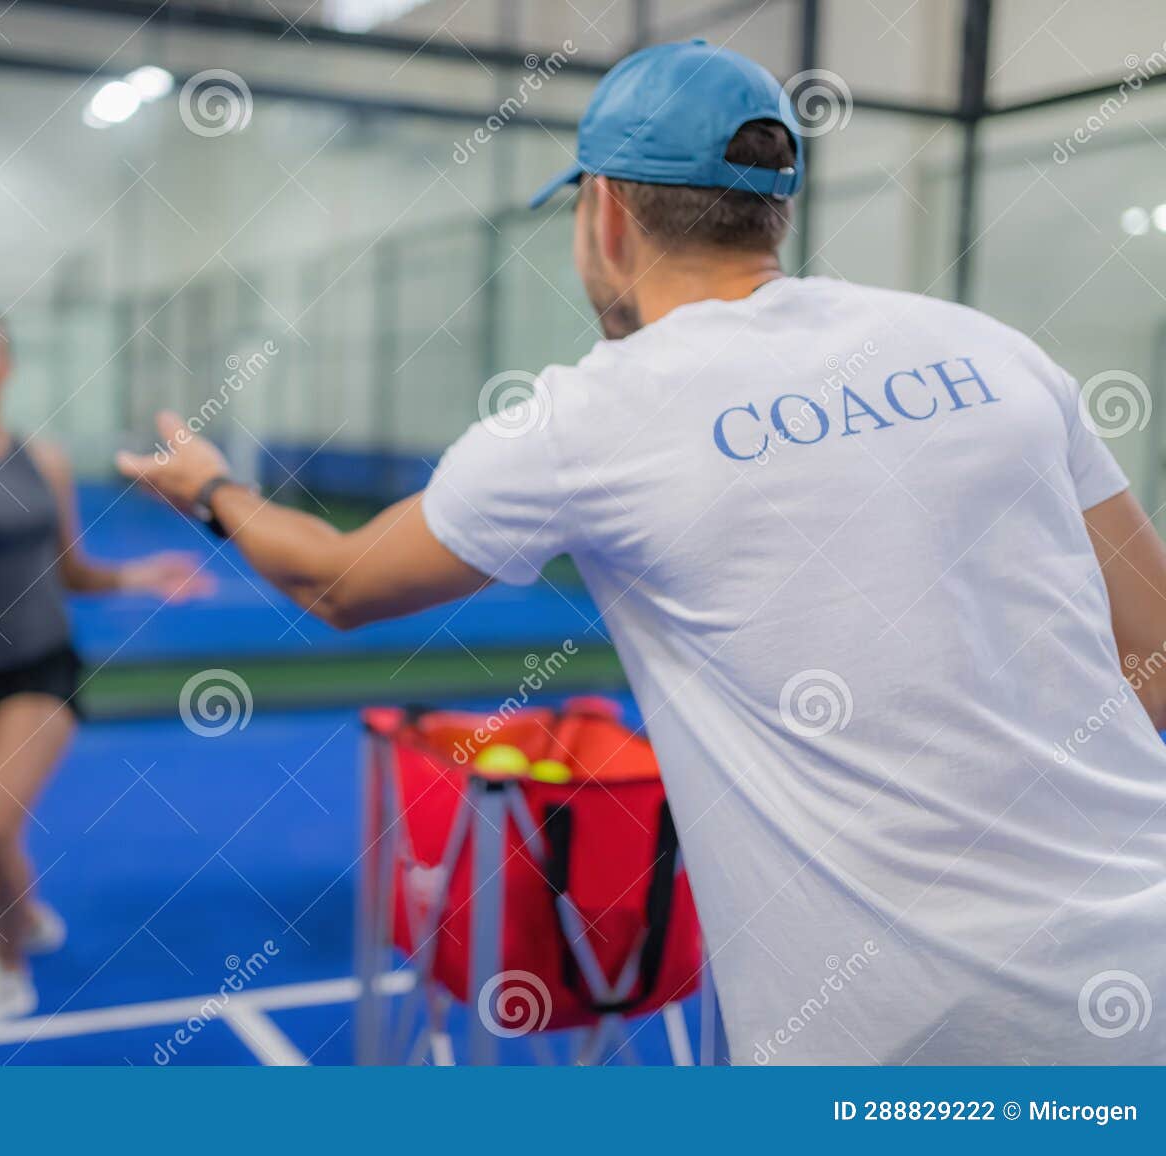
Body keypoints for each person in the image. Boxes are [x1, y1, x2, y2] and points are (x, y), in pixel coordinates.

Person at [118, 41, 1166, 1064]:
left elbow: (334, 581)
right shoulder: (990, 349)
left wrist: (210, 488)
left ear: (605, 213)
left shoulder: (586, 417)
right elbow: (1153, 651)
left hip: (912, 1046)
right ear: (775, 209)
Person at [0, 306, 211, 1027]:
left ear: (7, 367)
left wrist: (143, 575)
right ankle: (21, 916)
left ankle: (8, 971)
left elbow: (69, 570)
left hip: (40, 669)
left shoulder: (45, 459)